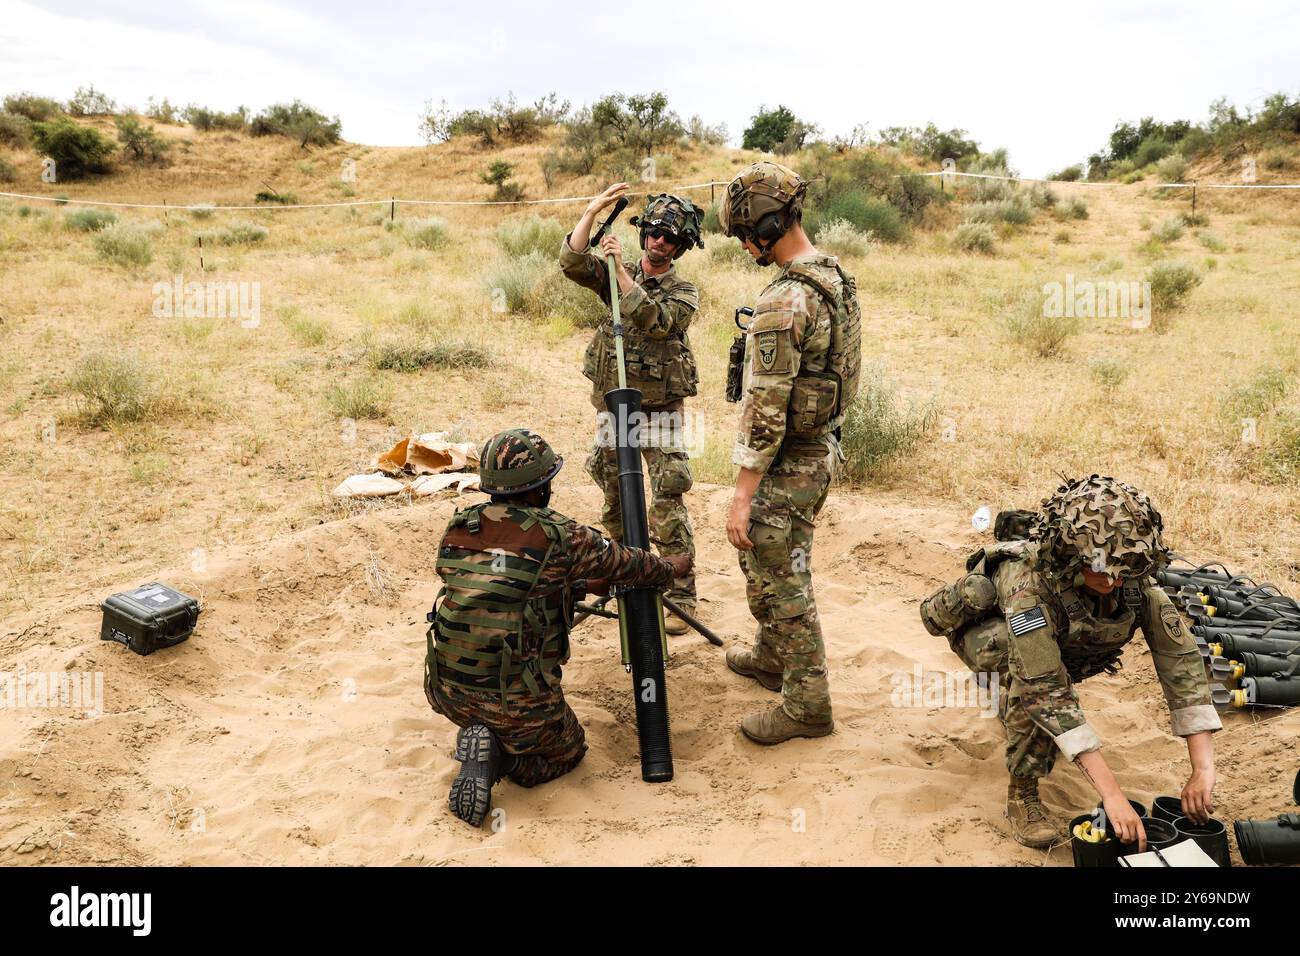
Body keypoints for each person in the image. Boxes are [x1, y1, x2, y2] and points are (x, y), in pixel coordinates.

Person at [921, 474, 1221, 848]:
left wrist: (1203, 767)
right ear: (1069, 553)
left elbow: (1181, 664)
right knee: (1025, 684)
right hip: (988, 636)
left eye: (1121, 568)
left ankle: (1010, 706)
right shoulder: (1028, 585)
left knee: (1044, 682)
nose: (1112, 581)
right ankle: (1023, 794)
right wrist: (1112, 795)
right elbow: (1045, 690)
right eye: (1099, 567)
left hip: (1058, 647)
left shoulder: (1131, 577)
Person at [423, 428, 689, 827]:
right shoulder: (561, 535)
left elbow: (505, 580)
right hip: (519, 704)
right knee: (565, 754)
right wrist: (672, 568)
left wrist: (571, 584)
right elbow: (631, 565)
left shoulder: (462, 525)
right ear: (541, 486)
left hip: (446, 692)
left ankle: (483, 734)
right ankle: (501, 756)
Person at [717, 161, 862, 745]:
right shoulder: (834, 276)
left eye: (744, 233)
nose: (744, 245)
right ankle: (774, 657)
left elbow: (766, 409)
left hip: (790, 458)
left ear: (763, 226)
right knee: (770, 563)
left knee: (781, 575)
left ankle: (807, 704)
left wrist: (741, 495)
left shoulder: (785, 301)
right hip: (821, 448)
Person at [560, 184, 704, 634]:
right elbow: (570, 262)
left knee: (666, 500)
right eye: (655, 232)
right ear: (644, 233)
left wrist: (622, 270)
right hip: (614, 409)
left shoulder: (683, 291)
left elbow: (656, 321)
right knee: (615, 498)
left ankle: (680, 590)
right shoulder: (608, 269)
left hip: (658, 410)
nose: (660, 241)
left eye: (670, 238)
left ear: (680, 246)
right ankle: (624, 576)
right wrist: (590, 212)